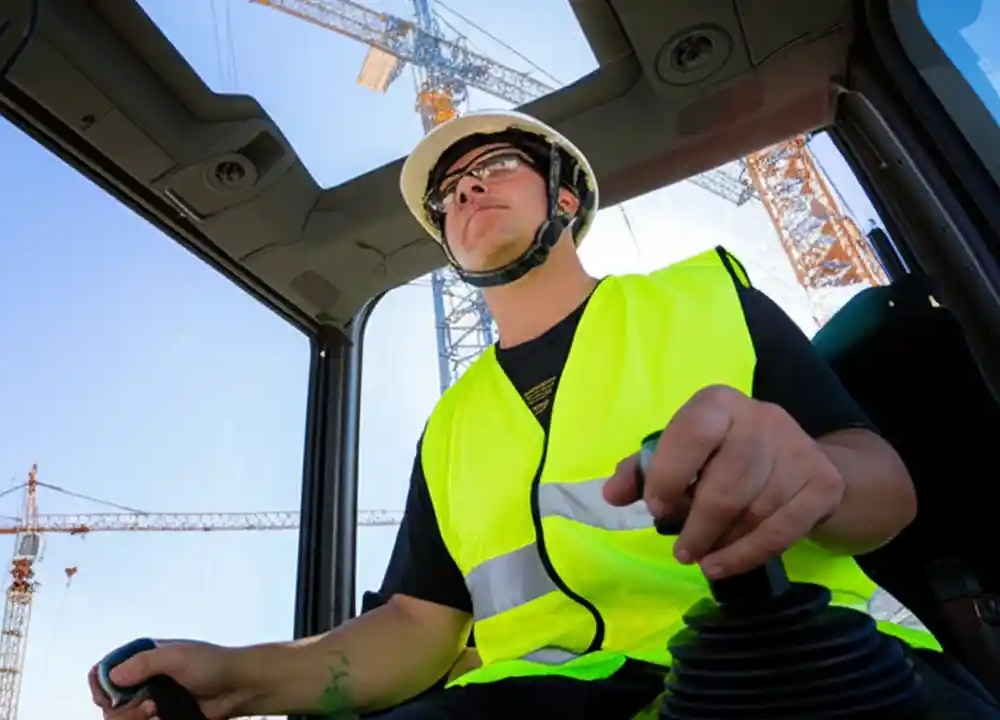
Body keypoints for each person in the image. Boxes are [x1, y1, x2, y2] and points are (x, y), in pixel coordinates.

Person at [89, 110, 999, 719]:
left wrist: (819, 472)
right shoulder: (451, 427)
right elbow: (415, 631)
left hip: (809, 664)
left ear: (565, 199)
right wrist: (235, 679)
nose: (466, 193)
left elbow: (888, 495)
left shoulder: (707, 302)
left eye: (493, 168)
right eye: (448, 196)